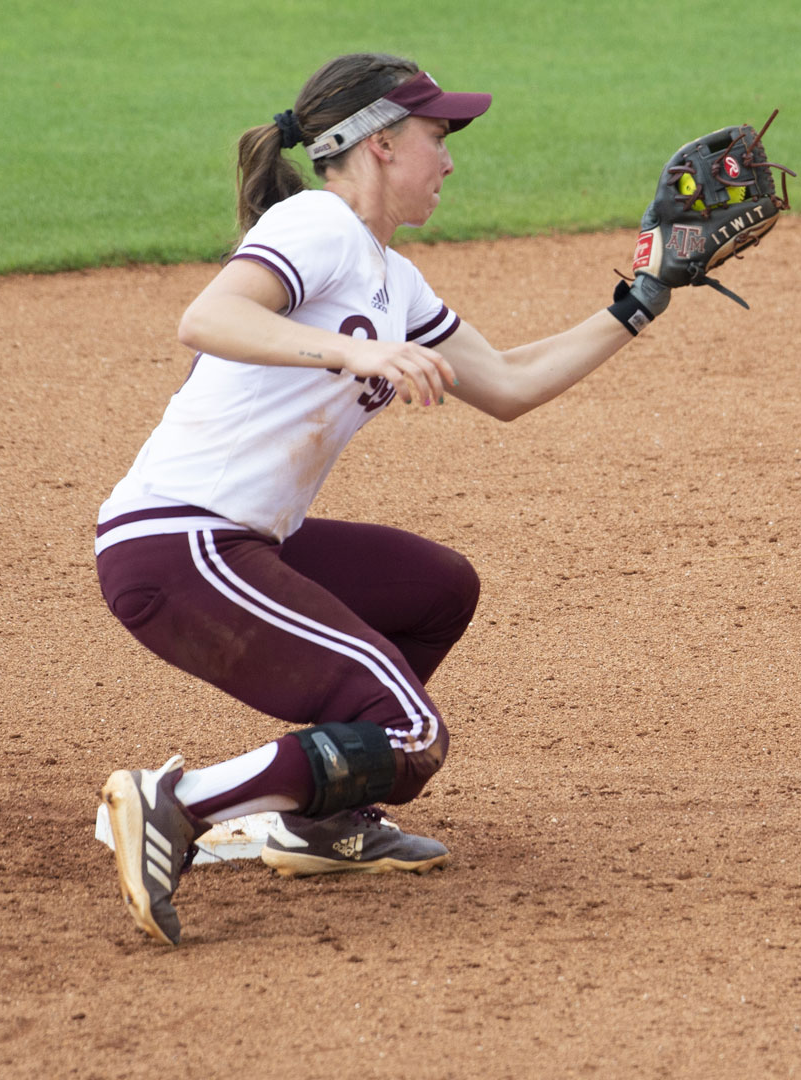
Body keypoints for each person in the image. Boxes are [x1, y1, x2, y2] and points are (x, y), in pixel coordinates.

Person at [95, 53, 681, 945]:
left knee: (436, 589)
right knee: (409, 729)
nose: (449, 159)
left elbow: (512, 383)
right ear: (375, 143)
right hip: (180, 547)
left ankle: (321, 824)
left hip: (246, 543)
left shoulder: (392, 279)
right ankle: (176, 803)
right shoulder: (316, 224)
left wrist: (643, 297)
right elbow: (208, 318)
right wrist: (354, 353)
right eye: (436, 135)